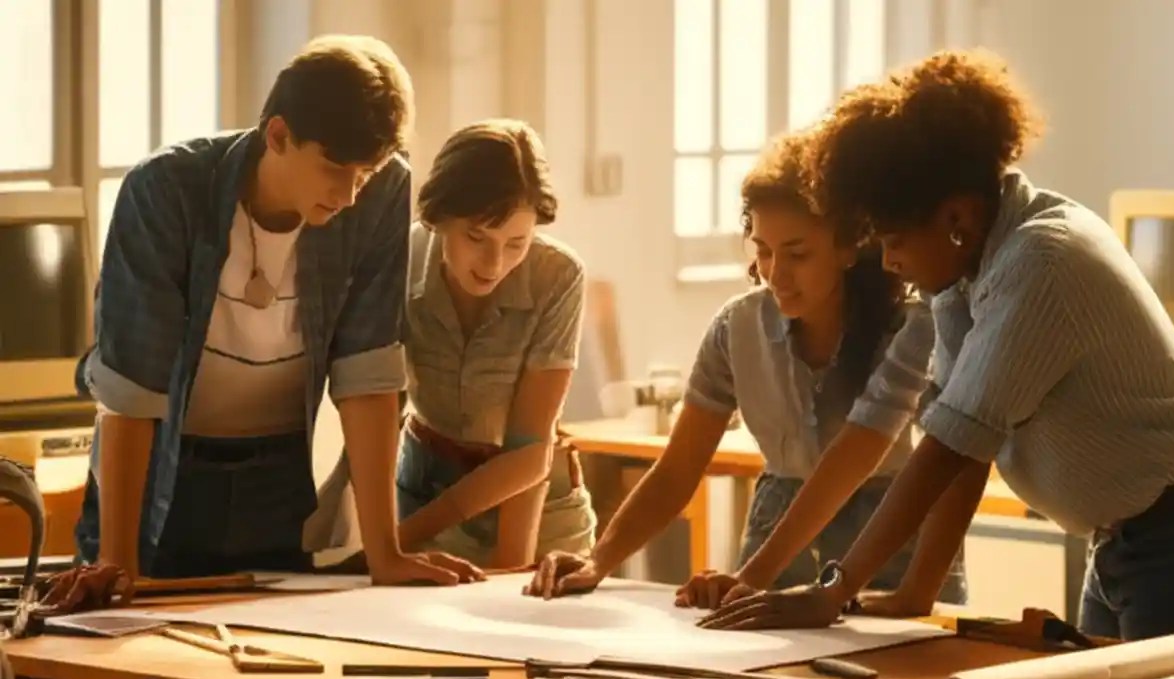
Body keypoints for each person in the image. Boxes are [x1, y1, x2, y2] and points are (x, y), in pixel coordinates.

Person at [699, 49, 1174, 640]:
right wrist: (916, 592)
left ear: (956, 217)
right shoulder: (965, 273)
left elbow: (948, 447)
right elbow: (966, 443)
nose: (889, 261)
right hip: (1123, 546)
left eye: (895, 241)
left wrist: (834, 588)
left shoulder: (1040, 260)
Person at [67, 35, 483, 589]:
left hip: (277, 474)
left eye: (365, 174)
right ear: (279, 135)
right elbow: (131, 388)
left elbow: (368, 373)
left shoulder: (381, 191)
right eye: (335, 168)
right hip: (163, 470)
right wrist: (116, 562)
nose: (350, 194)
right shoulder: (166, 189)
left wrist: (386, 554)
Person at [525, 129, 967, 605]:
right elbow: (678, 470)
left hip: (888, 540)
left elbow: (860, 455)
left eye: (797, 254)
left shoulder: (910, 328)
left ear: (848, 247)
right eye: (763, 250)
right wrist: (599, 559)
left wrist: (751, 577)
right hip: (775, 540)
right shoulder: (738, 327)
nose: (777, 273)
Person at [393, 119, 597, 569]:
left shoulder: (558, 276)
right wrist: (386, 545)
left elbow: (528, 450)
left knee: (521, 611)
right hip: (424, 492)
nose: (493, 263)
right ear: (439, 217)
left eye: (516, 243)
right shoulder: (401, 257)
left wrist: (511, 571)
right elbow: (375, 399)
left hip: (538, 512)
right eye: (476, 237)